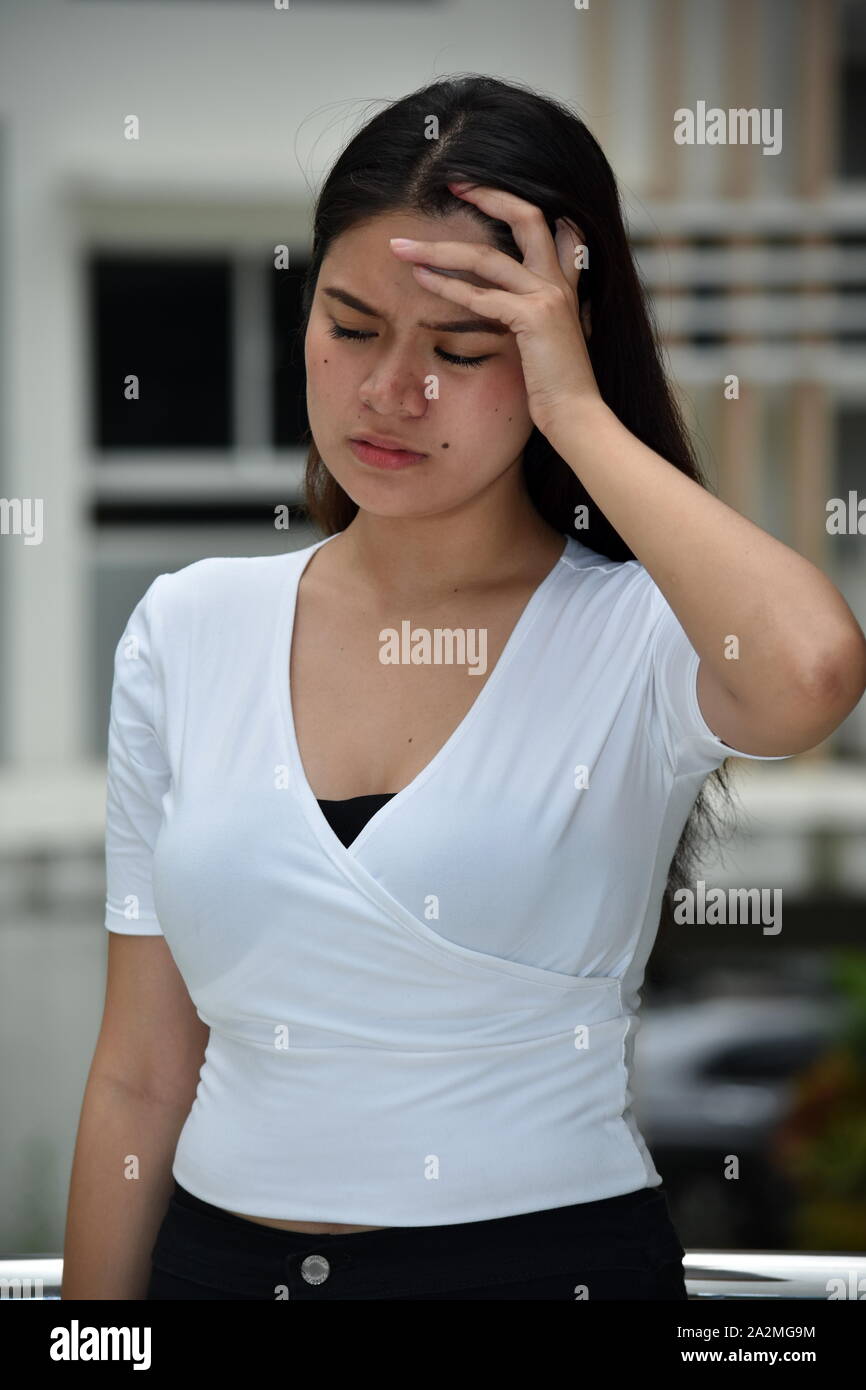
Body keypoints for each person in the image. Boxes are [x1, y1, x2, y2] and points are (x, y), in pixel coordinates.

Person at [62, 74, 866, 1302]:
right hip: (219, 1270)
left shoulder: (635, 633)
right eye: (347, 323)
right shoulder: (186, 626)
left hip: (544, 1276)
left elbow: (812, 670)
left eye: (461, 347)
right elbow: (140, 1073)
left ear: (552, 353)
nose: (391, 390)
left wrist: (580, 411)